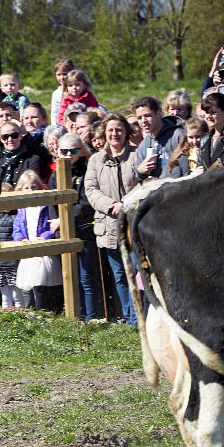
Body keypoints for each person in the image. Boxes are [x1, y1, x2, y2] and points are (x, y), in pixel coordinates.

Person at [84, 114, 139, 326]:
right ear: (104, 133)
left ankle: (140, 317)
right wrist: (110, 205)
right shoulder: (96, 160)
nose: (114, 134)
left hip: (132, 222)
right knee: (120, 276)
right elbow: (90, 189)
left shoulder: (136, 155)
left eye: (119, 130)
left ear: (126, 132)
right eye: (110, 130)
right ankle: (129, 318)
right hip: (108, 225)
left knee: (135, 274)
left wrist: (124, 204)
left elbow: (143, 184)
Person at [48, 133, 100, 321]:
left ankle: (91, 316)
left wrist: (64, 219)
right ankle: (74, 315)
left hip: (84, 232)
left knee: (87, 279)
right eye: (64, 151)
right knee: (70, 277)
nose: (69, 154)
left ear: (81, 151)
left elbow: (87, 204)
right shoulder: (55, 175)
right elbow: (52, 203)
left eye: (73, 150)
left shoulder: (87, 173)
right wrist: (58, 225)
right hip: (63, 234)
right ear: (57, 152)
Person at [12, 171, 62, 313]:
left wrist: (45, 237)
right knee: (27, 285)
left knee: (42, 284)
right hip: (28, 250)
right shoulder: (21, 209)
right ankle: (31, 312)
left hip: (43, 251)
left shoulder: (45, 206)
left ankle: (45, 311)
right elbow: (17, 227)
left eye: (34, 187)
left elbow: (51, 226)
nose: (30, 191)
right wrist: (20, 239)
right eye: (26, 188)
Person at [132, 95, 184, 182]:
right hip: (156, 192)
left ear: (159, 113)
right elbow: (139, 178)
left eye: (147, 115)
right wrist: (140, 171)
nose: (143, 121)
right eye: (139, 118)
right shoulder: (143, 145)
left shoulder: (178, 135)